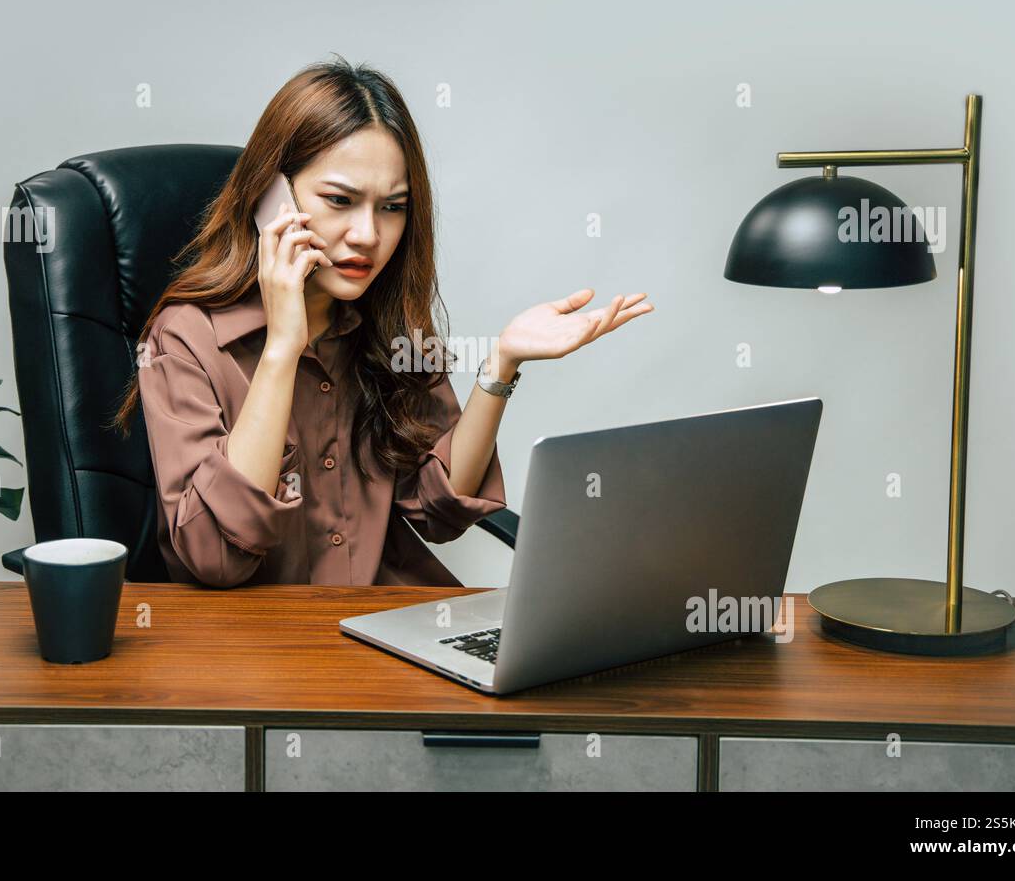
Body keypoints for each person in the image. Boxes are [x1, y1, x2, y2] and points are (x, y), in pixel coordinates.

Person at [111, 55, 651, 588]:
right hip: (263, 653)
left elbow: (438, 513)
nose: (368, 234)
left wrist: (500, 365)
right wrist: (281, 347)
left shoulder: (390, 327)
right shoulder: (185, 337)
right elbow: (216, 561)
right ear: (271, 199)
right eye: (340, 200)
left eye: (392, 207)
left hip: (391, 629)